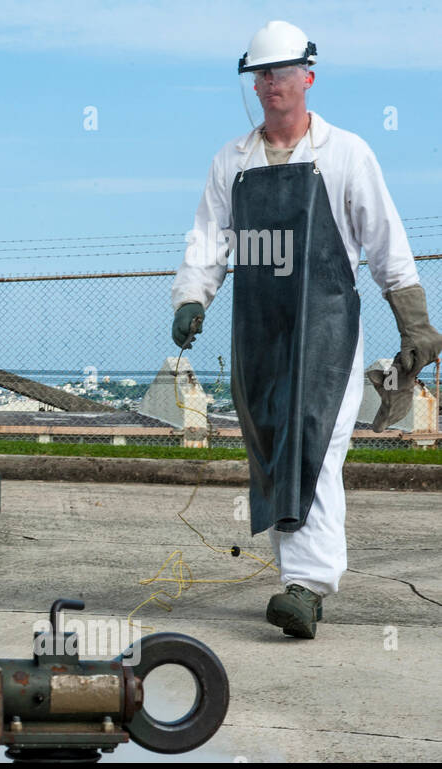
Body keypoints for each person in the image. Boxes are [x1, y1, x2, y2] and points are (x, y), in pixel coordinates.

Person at [169, 21, 442, 639]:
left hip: (327, 333)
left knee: (315, 446)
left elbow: (385, 244)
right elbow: (209, 242)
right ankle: (299, 577)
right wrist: (192, 297)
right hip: (259, 332)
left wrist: (415, 324)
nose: (269, 85)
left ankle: (306, 586)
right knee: (273, 448)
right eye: (260, 75)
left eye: (281, 73)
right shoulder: (231, 163)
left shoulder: (346, 154)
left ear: (307, 77)